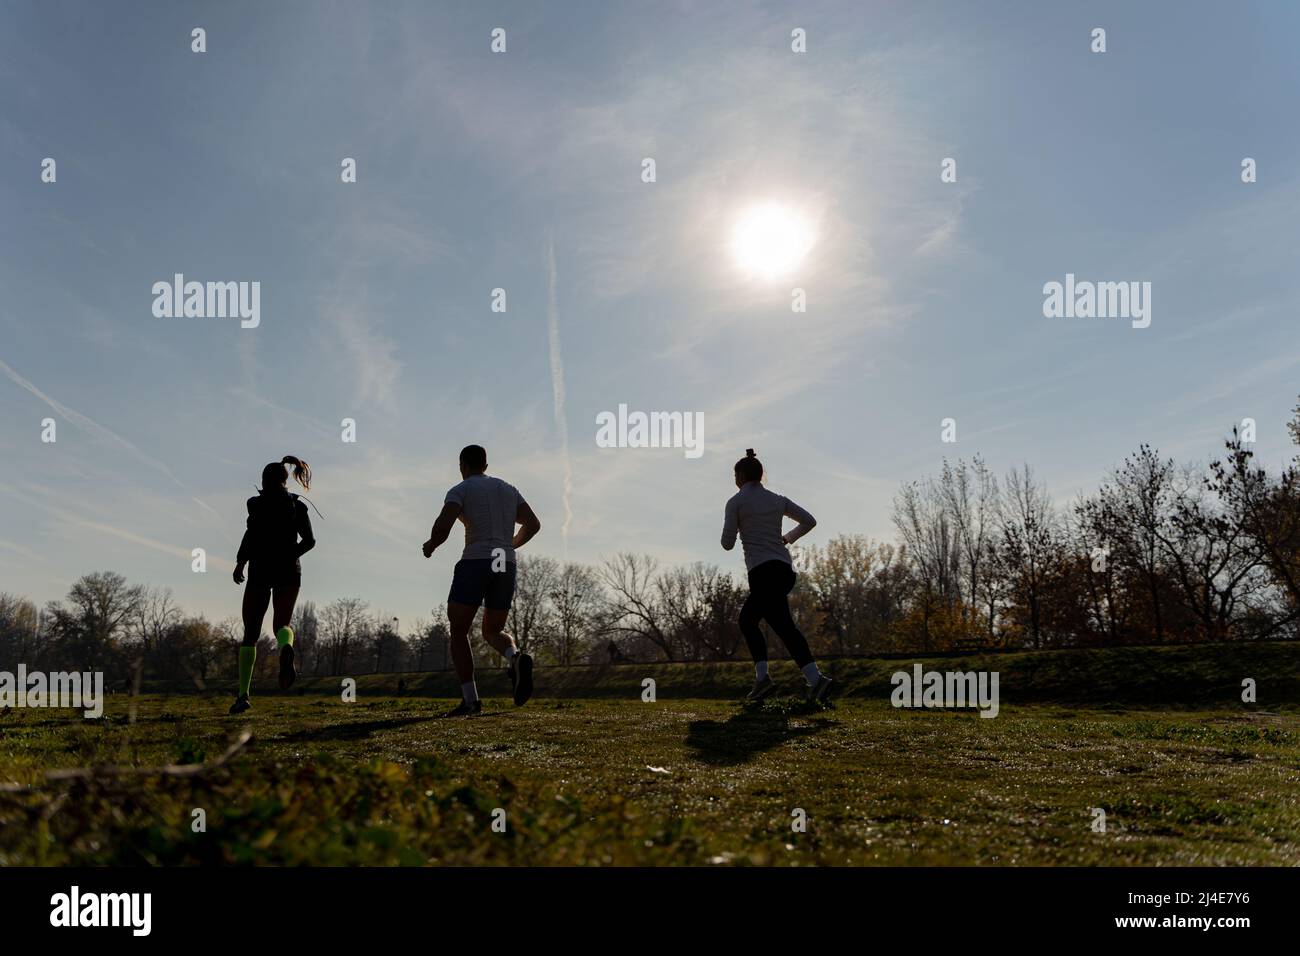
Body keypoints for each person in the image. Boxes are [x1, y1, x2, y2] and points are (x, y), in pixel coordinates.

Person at [422, 445, 541, 716]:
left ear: (462, 465)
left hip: (476, 559)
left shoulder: (460, 490)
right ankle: (515, 658)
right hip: (505, 562)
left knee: (459, 628)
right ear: (486, 465)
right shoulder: (509, 489)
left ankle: (470, 700)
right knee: (492, 630)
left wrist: (431, 544)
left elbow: (443, 526)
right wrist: (509, 545)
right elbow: (533, 524)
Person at [721, 449, 832, 703]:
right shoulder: (777, 499)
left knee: (749, 622)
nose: (734, 480)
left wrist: (738, 528)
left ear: (741, 475)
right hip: (783, 571)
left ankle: (766, 680)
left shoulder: (736, 502)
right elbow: (809, 520)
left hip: (762, 573)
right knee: (782, 627)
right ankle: (815, 681)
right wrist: (787, 538)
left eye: (734, 474)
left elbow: (727, 543)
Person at [230, 455, 316, 715]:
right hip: (289, 571)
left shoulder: (255, 504)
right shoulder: (297, 506)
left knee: (251, 633)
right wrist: (290, 556)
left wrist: (240, 563)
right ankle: (285, 646)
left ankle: (244, 694)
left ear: (264, 481)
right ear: (285, 480)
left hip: (260, 570)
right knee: (282, 625)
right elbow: (310, 541)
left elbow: (251, 535)